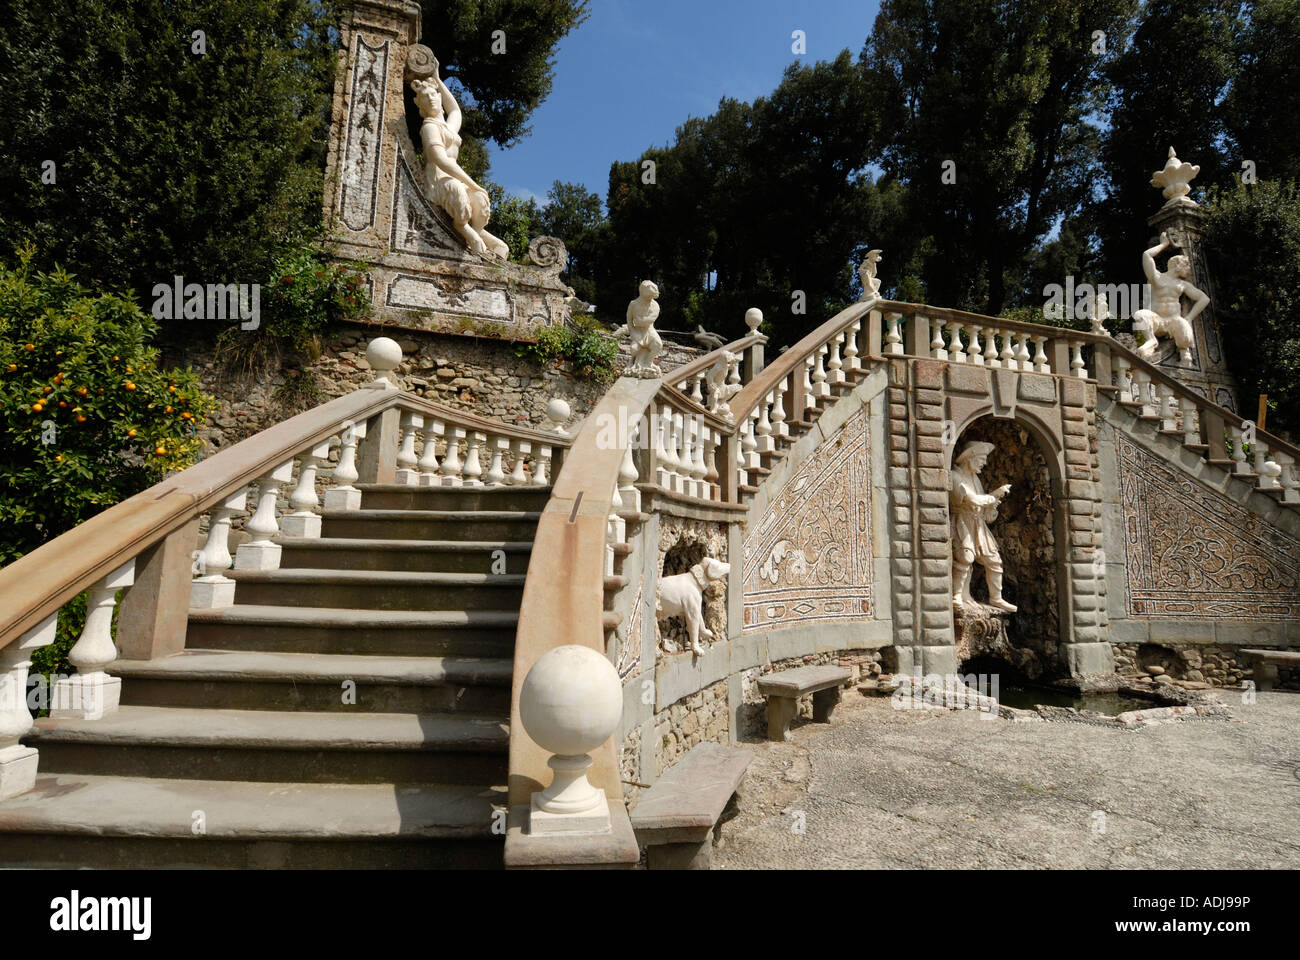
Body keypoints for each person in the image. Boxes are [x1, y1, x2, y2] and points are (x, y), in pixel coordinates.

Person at [410, 72, 509, 260]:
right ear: (419, 105)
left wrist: (438, 79)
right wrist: (472, 183)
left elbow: (455, 111)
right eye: (425, 97)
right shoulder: (429, 127)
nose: (431, 99)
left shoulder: (448, 127)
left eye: (433, 95)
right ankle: (463, 227)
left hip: (453, 178)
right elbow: (441, 160)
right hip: (438, 181)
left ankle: (477, 232)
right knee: (458, 190)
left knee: (480, 198)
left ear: (439, 98)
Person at [950, 441, 1016, 612]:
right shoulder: (955, 476)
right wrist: (993, 496)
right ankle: (956, 595)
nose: (984, 463)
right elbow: (972, 499)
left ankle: (996, 598)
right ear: (970, 458)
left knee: (994, 560)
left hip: (978, 525)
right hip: (962, 522)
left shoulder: (975, 479)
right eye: (981, 458)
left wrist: (992, 507)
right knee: (965, 557)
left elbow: (983, 511)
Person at [1131, 231, 1208, 365]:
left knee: (1183, 327)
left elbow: (1204, 299)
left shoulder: (1183, 285)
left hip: (1173, 321)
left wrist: (1189, 317)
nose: (1189, 270)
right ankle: (1151, 340)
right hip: (1157, 320)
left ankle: (1184, 352)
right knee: (1140, 315)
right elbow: (1147, 255)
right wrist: (1164, 244)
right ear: (1177, 265)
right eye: (1186, 265)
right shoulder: (1157, 277)